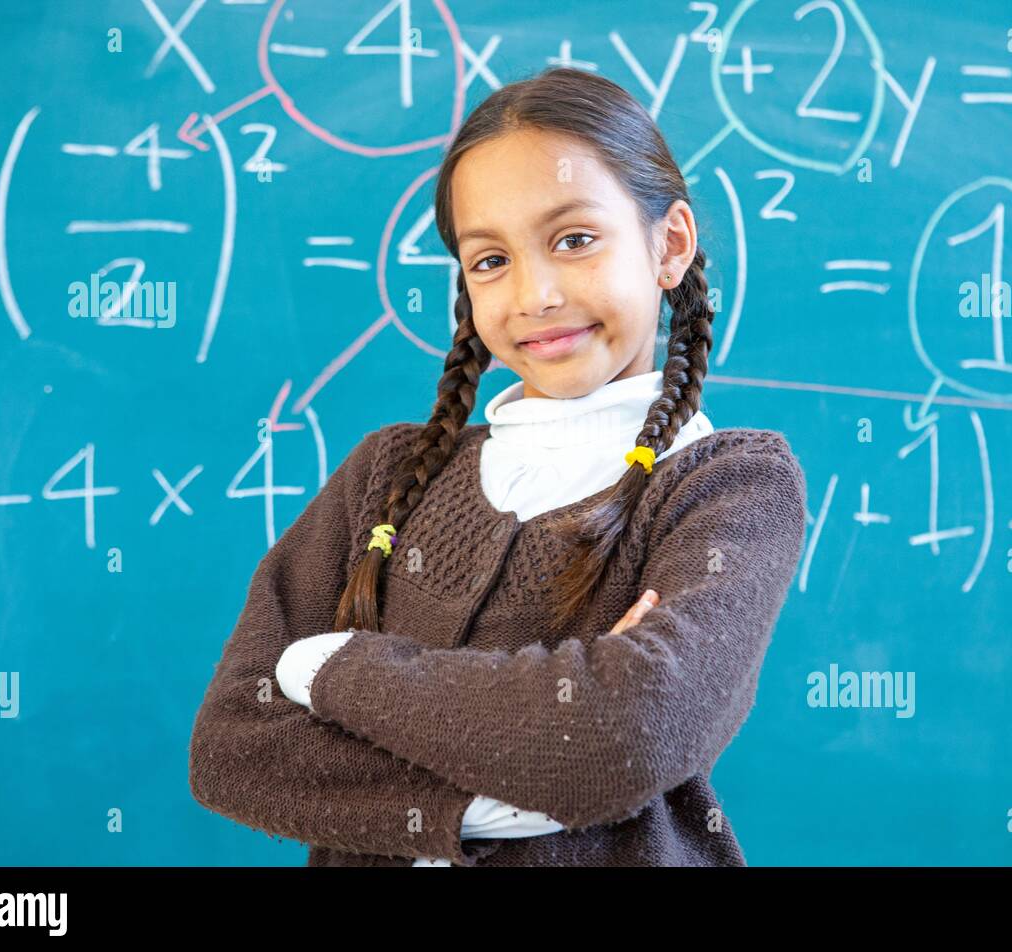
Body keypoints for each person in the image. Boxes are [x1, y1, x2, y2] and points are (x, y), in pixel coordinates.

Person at [188, 66, 807, 867]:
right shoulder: (389, 474)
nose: (536, 293)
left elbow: (628, 731)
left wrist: (328, 666)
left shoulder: (726, 485)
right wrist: (503, 799)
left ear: (670, 245)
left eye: (575, 240)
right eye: (490, 260)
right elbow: (233, 742)